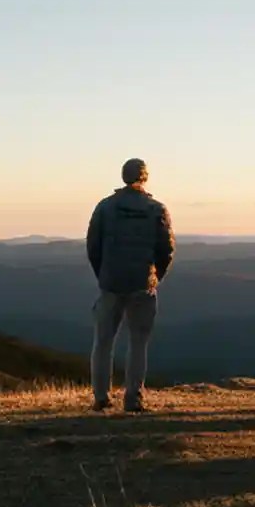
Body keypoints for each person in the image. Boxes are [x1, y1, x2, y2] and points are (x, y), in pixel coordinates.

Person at [85, 158, 175, 412]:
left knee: (103, 341)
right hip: (142, 284)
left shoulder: (105, 207)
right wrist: (155, 277)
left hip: (111, 283)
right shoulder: (156, 209)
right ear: (144, 177)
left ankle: (101, 397)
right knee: (138, 343)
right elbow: (166, 249)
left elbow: (93, 246)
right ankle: (133, 397)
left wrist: (103, 275)